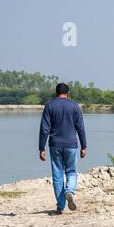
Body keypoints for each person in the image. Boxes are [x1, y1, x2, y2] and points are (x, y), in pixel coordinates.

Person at [38, 82, 87, 214]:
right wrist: (84, 146)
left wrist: (41, 147)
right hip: (71, 144)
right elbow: (80, 127)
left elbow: (44, 129)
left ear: (56, 93)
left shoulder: (49, 106)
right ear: (68, 93)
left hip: (55, 144)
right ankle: (69, 191)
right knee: (71, 172)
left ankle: (60, 205)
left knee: (57, 174)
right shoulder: (75, 106)